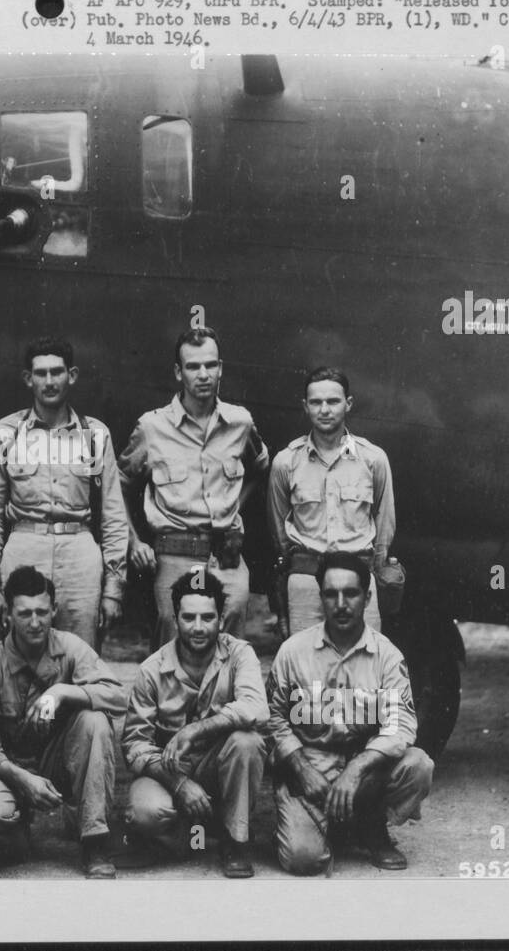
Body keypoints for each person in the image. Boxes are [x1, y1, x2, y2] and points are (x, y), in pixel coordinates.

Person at [265, 552, 433, 874]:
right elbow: (273, 719)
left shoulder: (386, 655)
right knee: (304, 860)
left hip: (365, 769)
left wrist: (357, 768)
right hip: (312, 766)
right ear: (321, 598)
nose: (341, 604)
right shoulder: (293, 652)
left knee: (418, 765)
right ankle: (324, 824)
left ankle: (371, 825)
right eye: (331, 594)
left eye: (351, 593)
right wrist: (300, 768)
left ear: (367, 597)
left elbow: (401, 724)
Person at [0, 566, 125, 878]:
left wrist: (63, 691)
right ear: (8, 614)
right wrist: (22, 780)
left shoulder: (70, 648)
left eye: (42, 611)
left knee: (94, 721)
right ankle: (16, 826)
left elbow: (118, 698)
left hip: (59, 763)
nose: (35, 622)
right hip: (10, 771)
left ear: (54, 610)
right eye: (25, 613)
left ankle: (95, 838)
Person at [119, 326, 270, 648]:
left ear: (221, 369)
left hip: (226, 559)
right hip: (174, 555)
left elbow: (260, 468)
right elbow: (117, 487)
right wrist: (134, 542)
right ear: (178, 372)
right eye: (192, 366)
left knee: (229, 648)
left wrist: (234, 507)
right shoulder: (152, 427)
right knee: (174, 647)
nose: (203, 374)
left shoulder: (240, 423)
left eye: (210, 365)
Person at [0, 336, 129, 649]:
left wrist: (114, 585)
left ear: (71, 376)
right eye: (40, 373)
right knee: (18, 656)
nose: (49, 381)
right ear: (27, 379)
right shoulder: (5, 434)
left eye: (57, 372)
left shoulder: (95, 434)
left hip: (80, 553)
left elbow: (114, 514)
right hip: (23, 546)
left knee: (81, 655)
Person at [120, 569, 269, 878]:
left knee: (248, 741)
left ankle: (234, 839)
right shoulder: (152, 669)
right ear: (175, 618)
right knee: (144, 813)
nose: (198, 628)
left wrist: (197, 728)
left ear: (222, 617)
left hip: (220, 765)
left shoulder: (240, 654)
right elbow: (134, 746)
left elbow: (256, 707)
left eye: (207, 617)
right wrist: (179, 784)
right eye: (189, 618)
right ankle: (192, 831)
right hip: (171, 770)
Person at [267, 367, 395, 638]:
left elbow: (384, 523)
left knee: (364, 662)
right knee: (306, 667)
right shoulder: (286, 462)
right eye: (316, 402)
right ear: (305, 406)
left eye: (333, 401)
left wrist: (371, 569)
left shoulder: (372, 459)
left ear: (348, 404)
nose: (324, 409)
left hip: (357, 580)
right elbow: (279, 529)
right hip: (305, 582)